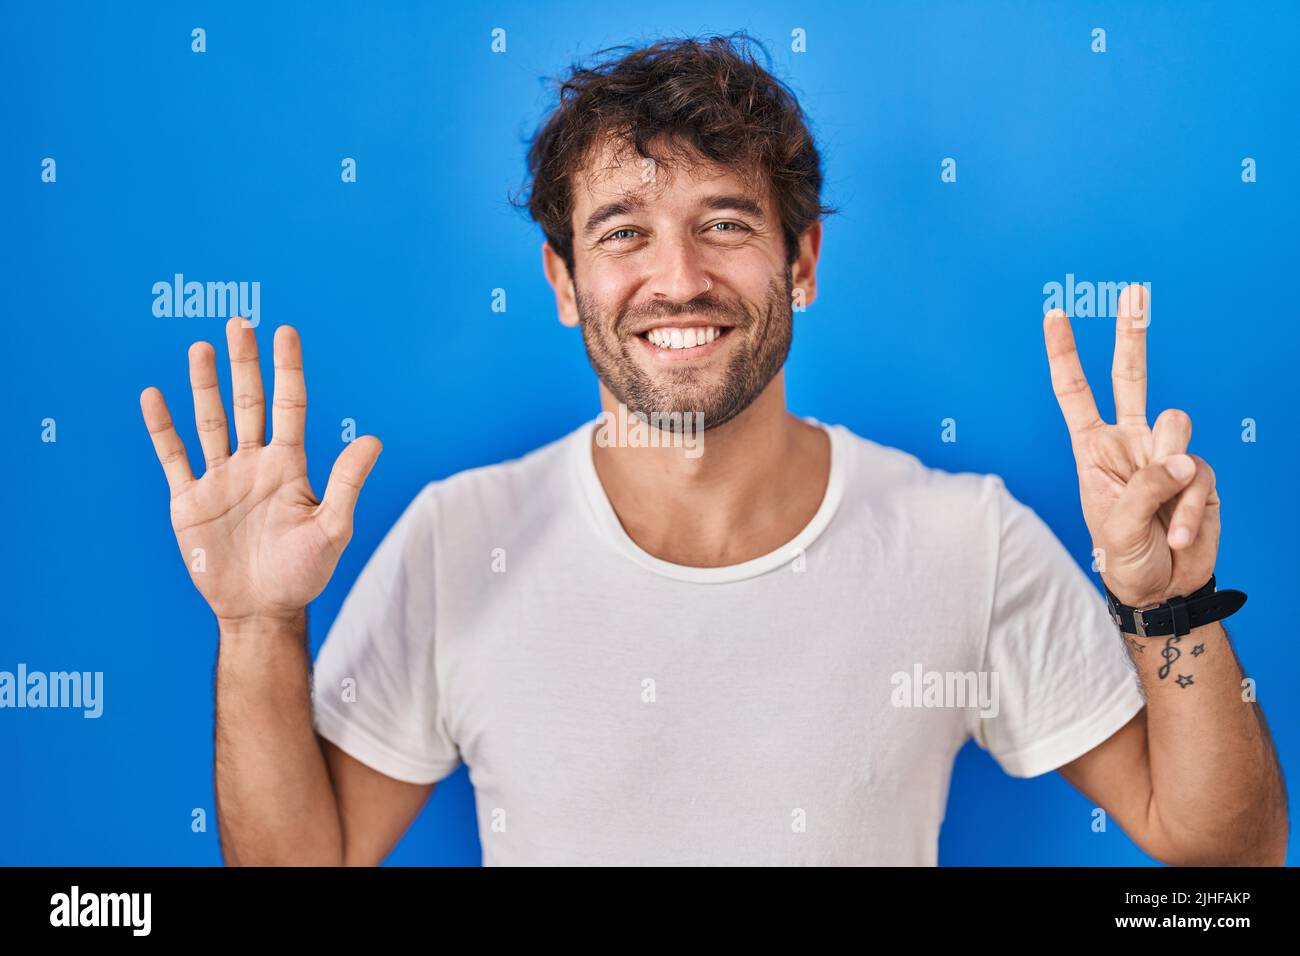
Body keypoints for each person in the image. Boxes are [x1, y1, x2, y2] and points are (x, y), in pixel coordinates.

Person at [139, 34, 1286, 866]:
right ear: (562, 282)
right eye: (623, 232)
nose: (676, 278)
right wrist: (255, 627)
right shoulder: (459, 538)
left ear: (802, 262)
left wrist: (1175, 606)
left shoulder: (965, 535)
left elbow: (1223, 859)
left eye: (725, 224)